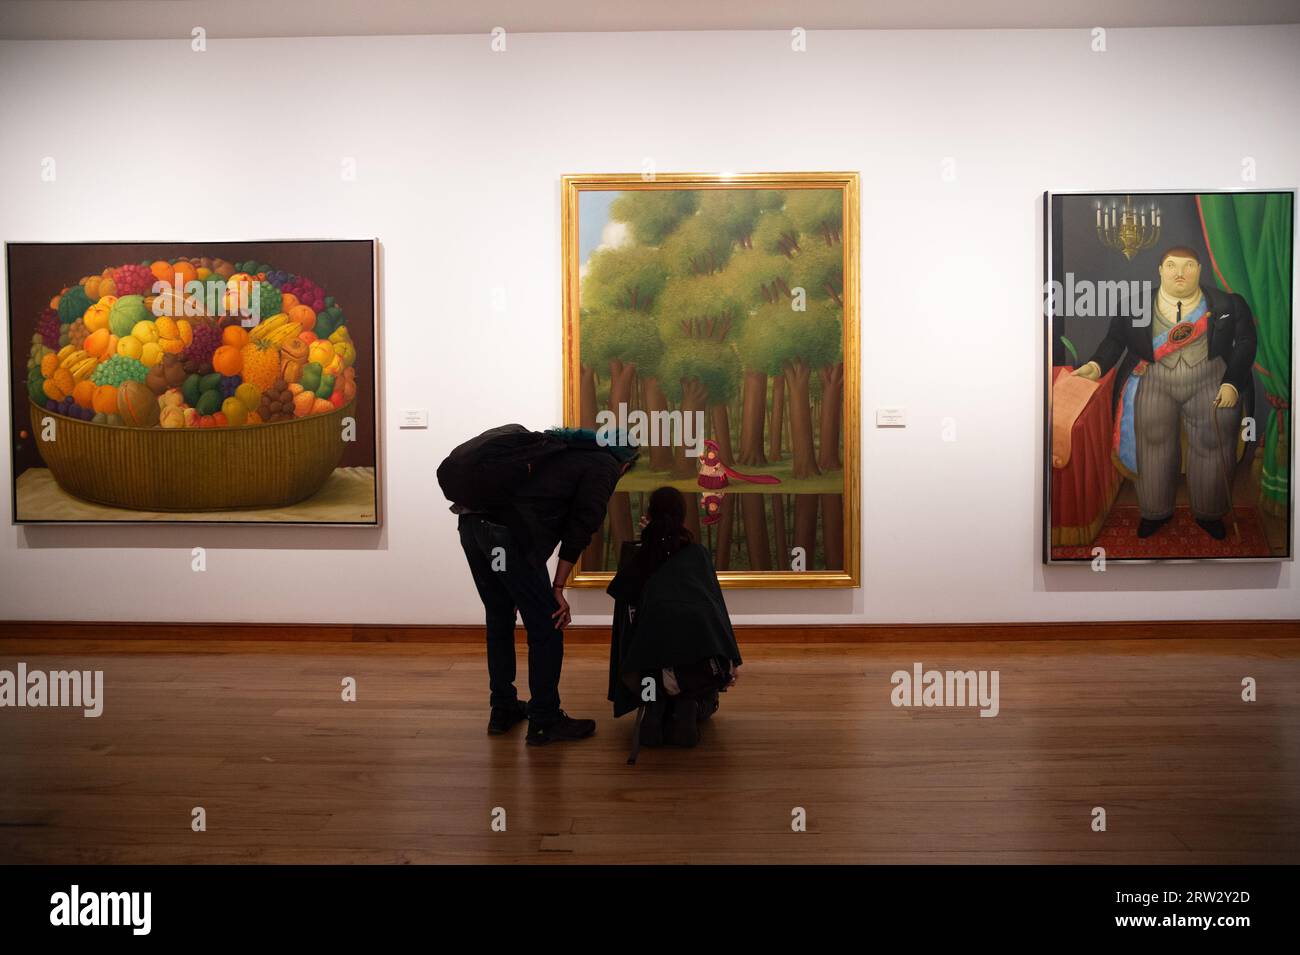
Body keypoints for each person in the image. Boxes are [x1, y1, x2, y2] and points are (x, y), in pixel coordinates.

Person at [456, 427, 639, 745]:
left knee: (499, 617)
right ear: (625, 463)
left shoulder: (558, 450)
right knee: (547, 625)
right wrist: (558, 588)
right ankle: (544, 720)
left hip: (472, 527)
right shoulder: (604, 465)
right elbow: (582, 526)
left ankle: (503, 709)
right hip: (507, 537)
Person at [1072, 245, 1256, 540]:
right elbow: (1114, 341)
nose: (1180, 273)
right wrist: (1095, 365)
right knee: (1152, 443)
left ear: (1199, 270)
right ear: (1160, 270)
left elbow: (1246, 343)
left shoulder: (1228, 305)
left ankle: (1209, 512)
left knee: (1213, 444)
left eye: (1188, 266)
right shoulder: (1134, 305)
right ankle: (1155, 511)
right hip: (1153, 378)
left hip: (1212, 378)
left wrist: (1232, 382)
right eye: (1171, 266)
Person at [606, 486, 742, 750]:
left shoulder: (643, 555)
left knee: (655, 654)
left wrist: (649, 541)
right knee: (691, 666)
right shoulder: (698, 554)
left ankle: (655, 707)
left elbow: (620, 592)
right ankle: (688, 706)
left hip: (650, 661)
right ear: (682, 517)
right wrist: (732, 657)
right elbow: (716, 607)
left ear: (649, 515)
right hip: (696, 662)